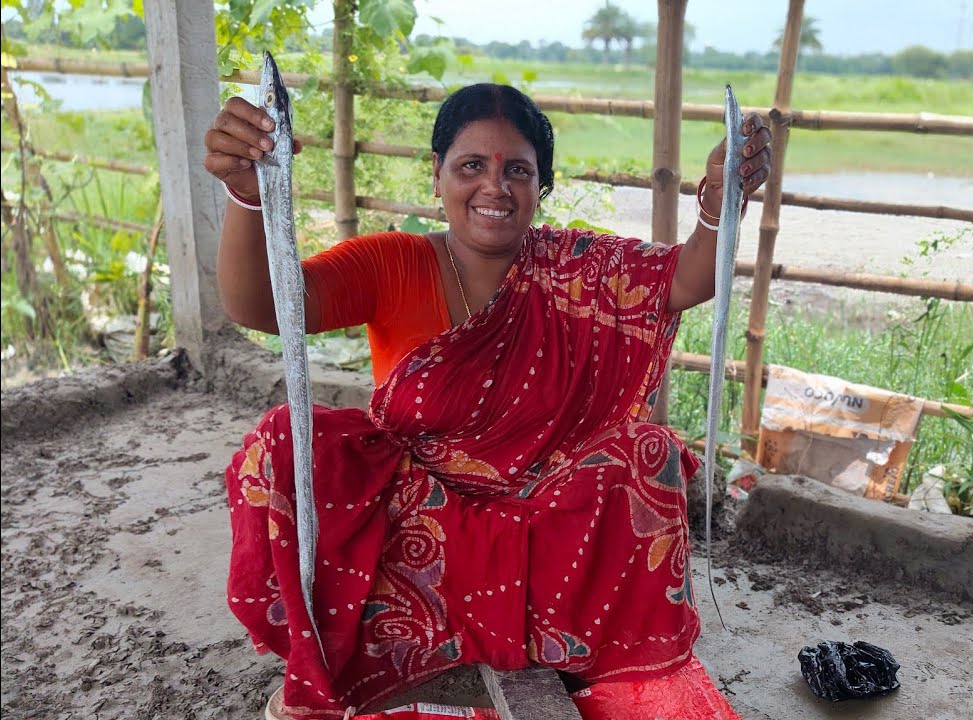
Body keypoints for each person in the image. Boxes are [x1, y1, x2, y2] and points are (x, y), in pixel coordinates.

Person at [203, 82, 771, 720]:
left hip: (540, 522)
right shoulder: (393, 262)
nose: (494, 187)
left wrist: (721, 205)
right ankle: (398, 636)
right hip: (418, 539)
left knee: (648, 456)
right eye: (471, 165)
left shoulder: (576, 265)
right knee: (285, 442)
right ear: (438, 177)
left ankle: (564, 642)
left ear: (541, 187)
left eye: (517, 171)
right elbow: (260, 303)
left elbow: (688, 277)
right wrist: (247, 197)